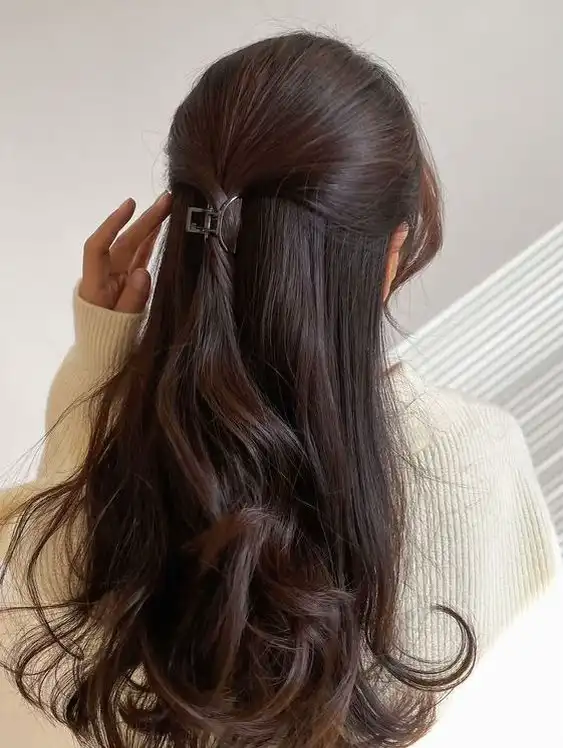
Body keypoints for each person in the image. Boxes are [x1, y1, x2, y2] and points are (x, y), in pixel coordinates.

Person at [0, 31, 562, 748]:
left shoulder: (78, 516)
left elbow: (58, 562)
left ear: (184, 237)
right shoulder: (476, 460)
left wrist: (100, 358)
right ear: (388, 256)